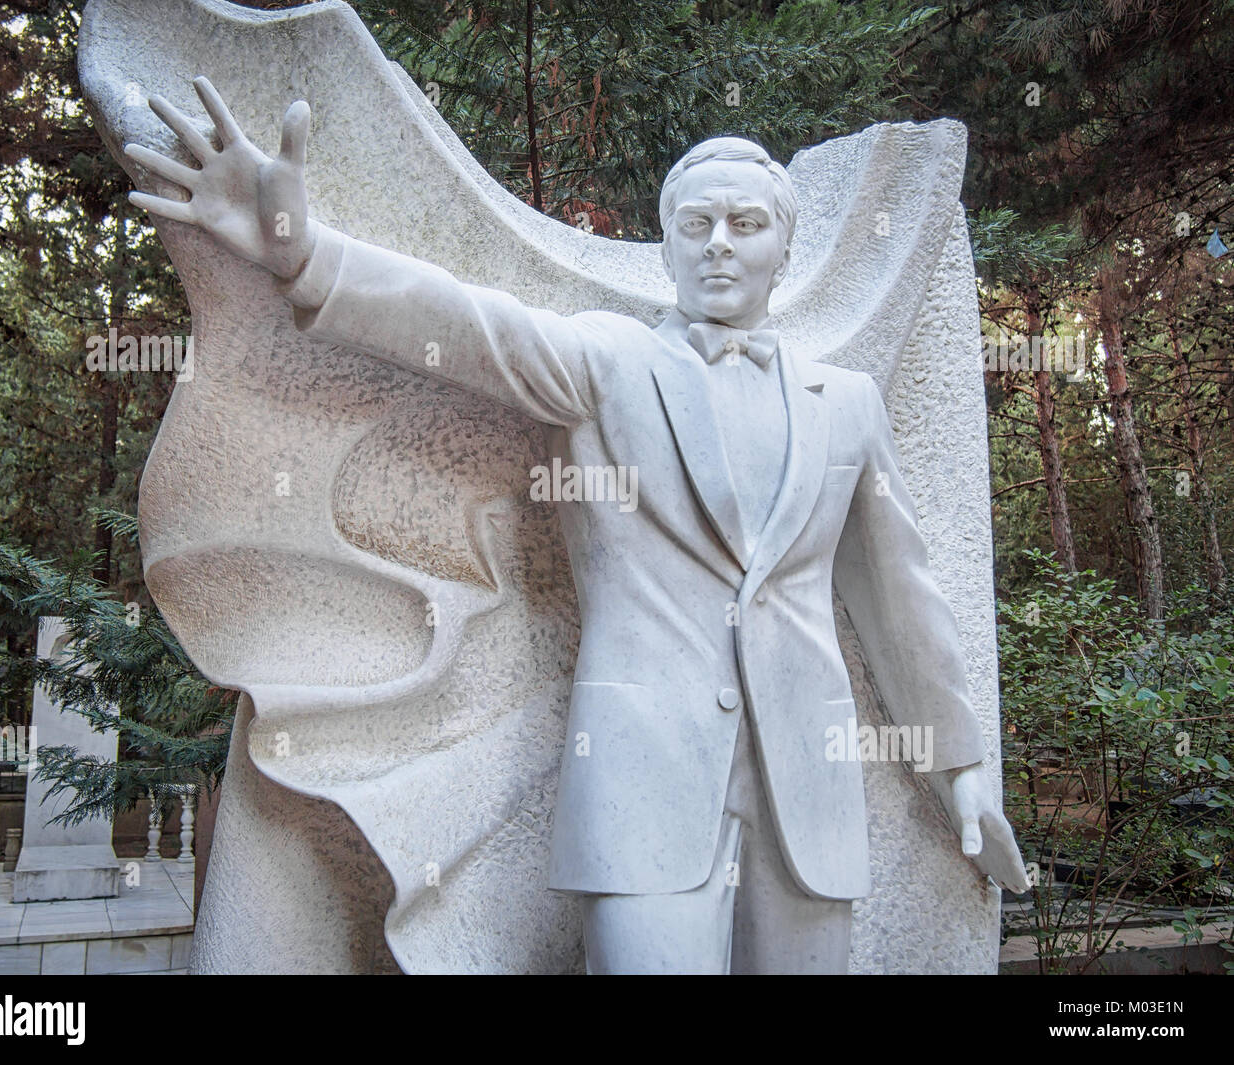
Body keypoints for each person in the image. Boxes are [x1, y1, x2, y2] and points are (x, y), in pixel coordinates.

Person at [127, 77, 1028, 974]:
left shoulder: (850, 405)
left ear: (783, 248)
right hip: (641, 788)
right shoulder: (607, 364)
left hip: (810, 798)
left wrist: (959, 769)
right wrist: (305, 253)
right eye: (696, 224)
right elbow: (466, 324)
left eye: (746, 224)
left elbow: (902, 599)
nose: (719, 243)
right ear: (668, 246)